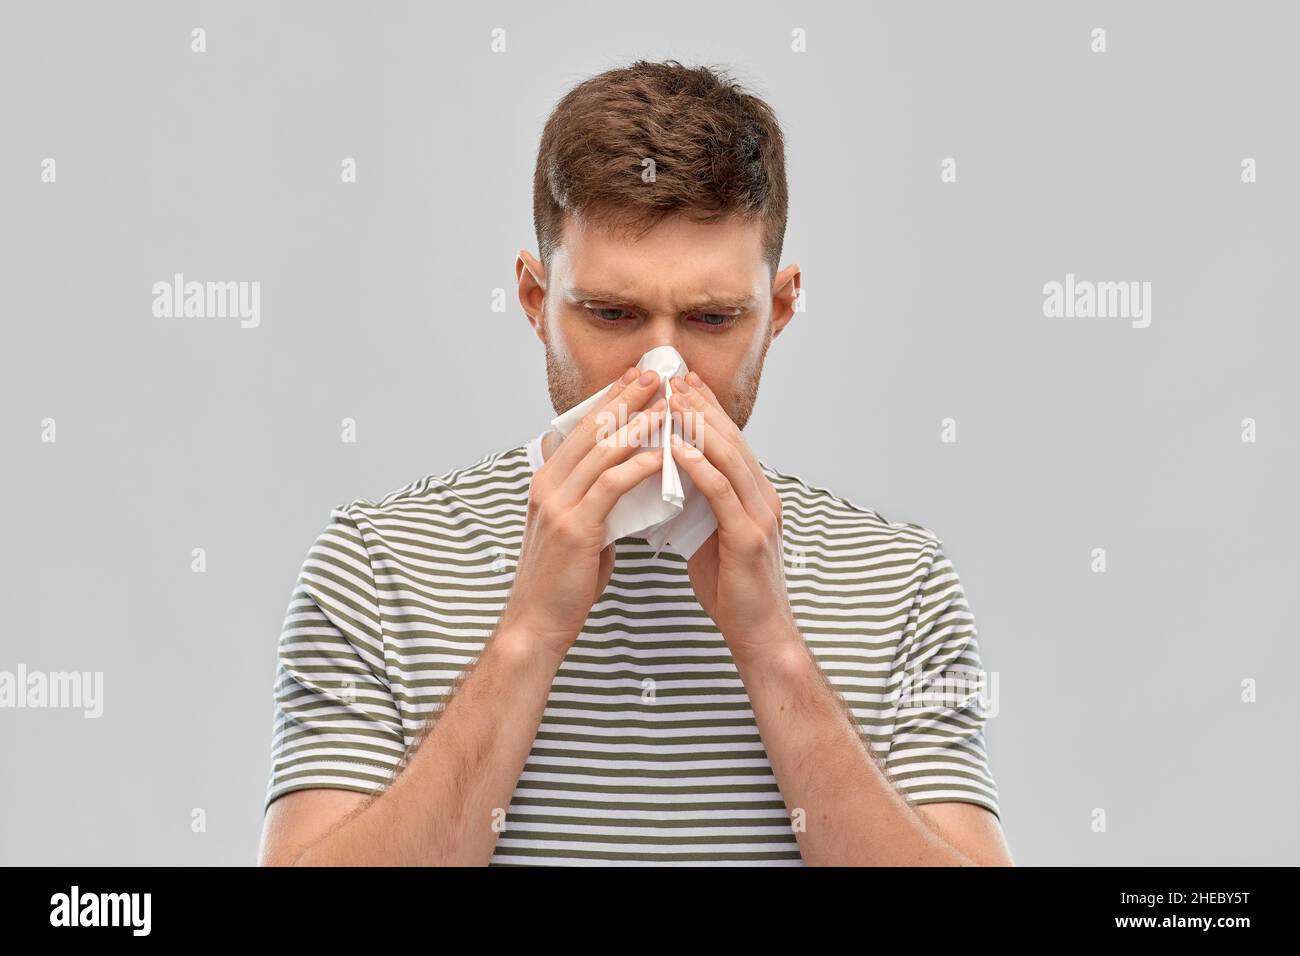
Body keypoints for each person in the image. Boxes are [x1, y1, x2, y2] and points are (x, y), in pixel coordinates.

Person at [257, 59, 1013, 866]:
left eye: (712, 318)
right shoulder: (375, 565)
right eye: (610, 313)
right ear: (534, 300)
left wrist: (771, 646)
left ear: (779, 310)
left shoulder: (900, 580)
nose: (662, 370)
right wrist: (530, 632)